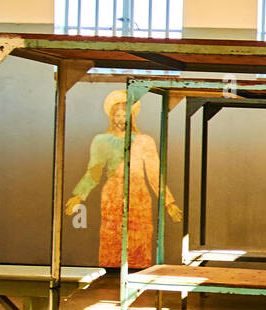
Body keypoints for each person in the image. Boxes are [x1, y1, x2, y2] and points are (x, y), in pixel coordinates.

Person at [65, 89, 181, 269]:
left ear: (132, 116)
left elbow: (154, 173)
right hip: (113, 196)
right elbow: (94, 172)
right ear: (111, 116)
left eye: (124, 114)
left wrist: (168, 203)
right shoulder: (102, 140)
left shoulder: (144, 141)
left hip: (139, 197)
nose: (121, 119)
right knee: (113, 238)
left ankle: (138, 278)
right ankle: (110, 280)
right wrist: (79, 197)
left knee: (139, 239)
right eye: (117, 115)